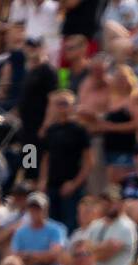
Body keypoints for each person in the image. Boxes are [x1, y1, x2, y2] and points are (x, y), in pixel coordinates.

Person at [39, 90, 95, 230]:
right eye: (58, 104)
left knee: (70, 225)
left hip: (71, 186)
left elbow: (89, 161)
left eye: (65, 103)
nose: (61, 107)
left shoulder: (80, 130)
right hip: (52, 185)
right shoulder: (51, 130)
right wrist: (43, 180)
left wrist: (74, 184)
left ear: (72, 106)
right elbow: (45, 158)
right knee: (51, 223)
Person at [11, 191, 68, 265]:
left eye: (38, 208)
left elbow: (54, 255)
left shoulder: (56, 229)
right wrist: (43, 258)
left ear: (45, 209)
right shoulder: (20, 232)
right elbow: (16, 259)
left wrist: (28, 257)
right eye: (32, 208)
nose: (35, 211)